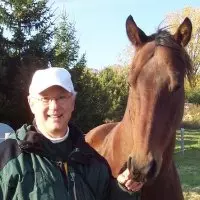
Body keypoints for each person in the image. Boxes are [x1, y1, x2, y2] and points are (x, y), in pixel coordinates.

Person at [0, 67, 143, 200]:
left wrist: (123, 188)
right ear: (32, 104)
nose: (54, 106)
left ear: (73, 102)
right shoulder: (7, 157)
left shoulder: (94, 162)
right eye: (45, 98)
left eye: (61, 97)